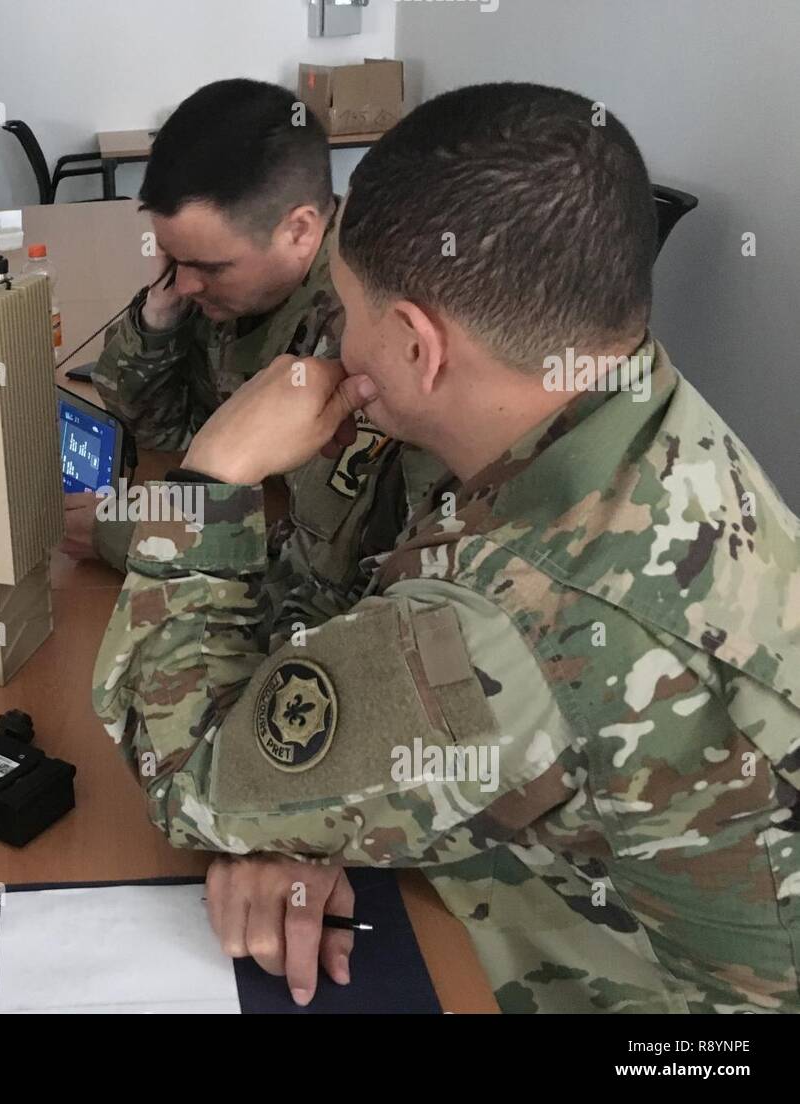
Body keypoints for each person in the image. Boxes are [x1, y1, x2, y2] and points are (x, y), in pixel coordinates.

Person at [91, 82, 800, 1013]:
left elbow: (186, 771)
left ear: (420, 346)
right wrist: (309, 810)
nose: (335, 340)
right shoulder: (634, 400)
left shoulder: (518, 615)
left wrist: (211, 480)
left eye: (346, 311)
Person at [70, 79, 395, 574]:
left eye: (208, 266)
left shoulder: (357, 335)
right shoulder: (223, 282)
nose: (185, 283)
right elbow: (165, 429)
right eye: (172, 257)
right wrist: (157, 318)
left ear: (300, 231)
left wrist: (125, 531)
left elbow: (317, 572)